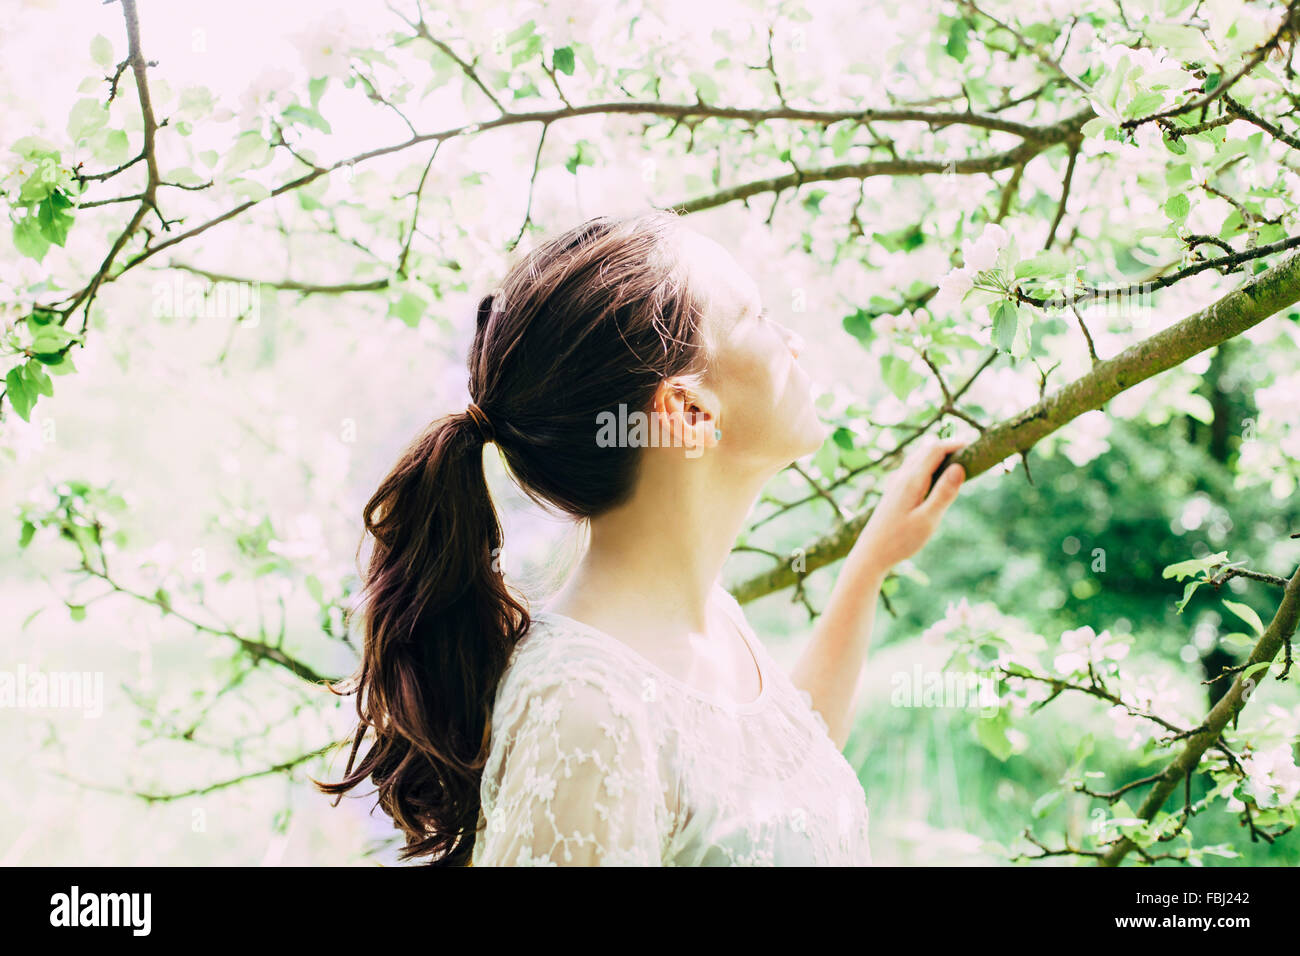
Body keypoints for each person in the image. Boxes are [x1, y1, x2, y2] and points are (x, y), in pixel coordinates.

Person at [316, 208, 966, 865]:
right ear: (686, 412)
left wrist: (870, 564)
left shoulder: (705, 622)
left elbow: (781, 785)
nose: (792, 340)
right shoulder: (587, 712)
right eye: (758, 319)